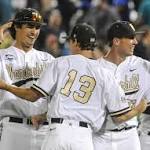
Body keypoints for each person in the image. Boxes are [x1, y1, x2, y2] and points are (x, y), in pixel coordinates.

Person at [0, 23, 147, 150]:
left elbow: (33, 96)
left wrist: (6, 86)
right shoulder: (104, 72)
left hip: (57, 132)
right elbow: (120, 117)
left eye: (70, 41)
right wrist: (139, 109)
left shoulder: (59, 62)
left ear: (75, 42)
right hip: (83, 137)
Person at [0, 8, 55, 150]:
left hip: (44, 129)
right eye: (29, 26)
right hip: (13, 128)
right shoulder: (2, 56)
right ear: (16, 27)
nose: (34, 32)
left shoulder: (48, 59)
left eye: (37, 28)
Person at [93, 21, 150, 150]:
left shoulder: (143, 66)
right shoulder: (95, 69)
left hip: (130, 136)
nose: (135, 42)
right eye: (131, 38)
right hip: (101, 136)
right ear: (116, 41)